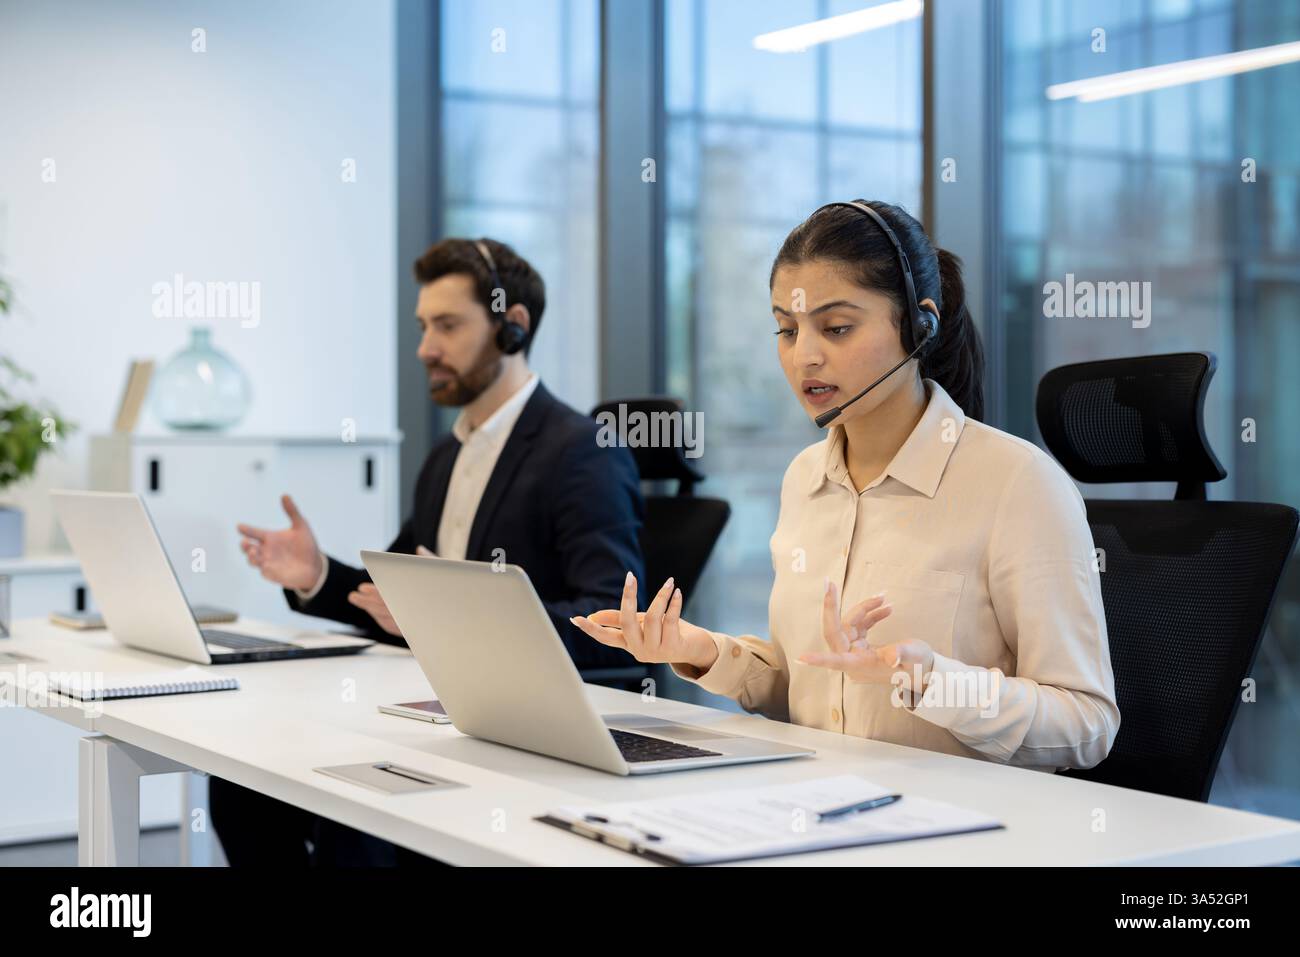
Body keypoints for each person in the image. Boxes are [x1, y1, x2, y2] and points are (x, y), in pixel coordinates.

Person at [572, 199, 1120, 772]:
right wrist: (701, 651)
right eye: (786, 329)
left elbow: (1086, 724)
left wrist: (934, 681)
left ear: (919, 324)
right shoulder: (804, 477)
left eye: (836, 328)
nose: (804, 355)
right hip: (820, 809)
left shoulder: (1018, 484)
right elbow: (803, 688)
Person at [209, 237, 646, 866]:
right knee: (242, 787)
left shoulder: (580, 451)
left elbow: (612, 621)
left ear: (512, 328)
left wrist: (459, 622)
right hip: (438, 719)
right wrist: (316, 574)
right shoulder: (447, 455)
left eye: (447, 325)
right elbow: (401, 598)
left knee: (351, 822)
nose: (425, 348)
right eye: (422, 326)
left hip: (523, 738)